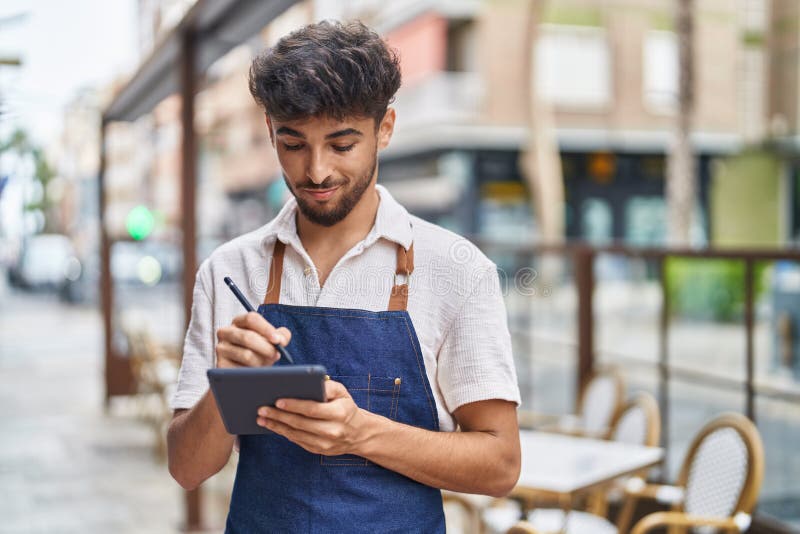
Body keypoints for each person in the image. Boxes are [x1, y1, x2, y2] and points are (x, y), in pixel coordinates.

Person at [167, 20, 521, 533]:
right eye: (293, 144)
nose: (316, 172)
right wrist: (230, 386)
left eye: (341, 144)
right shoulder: (229, 270)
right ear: (270, 132)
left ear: (386, 128)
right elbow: (186, 467)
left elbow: (501, 464)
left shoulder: (456, 269)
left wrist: (359, 433)